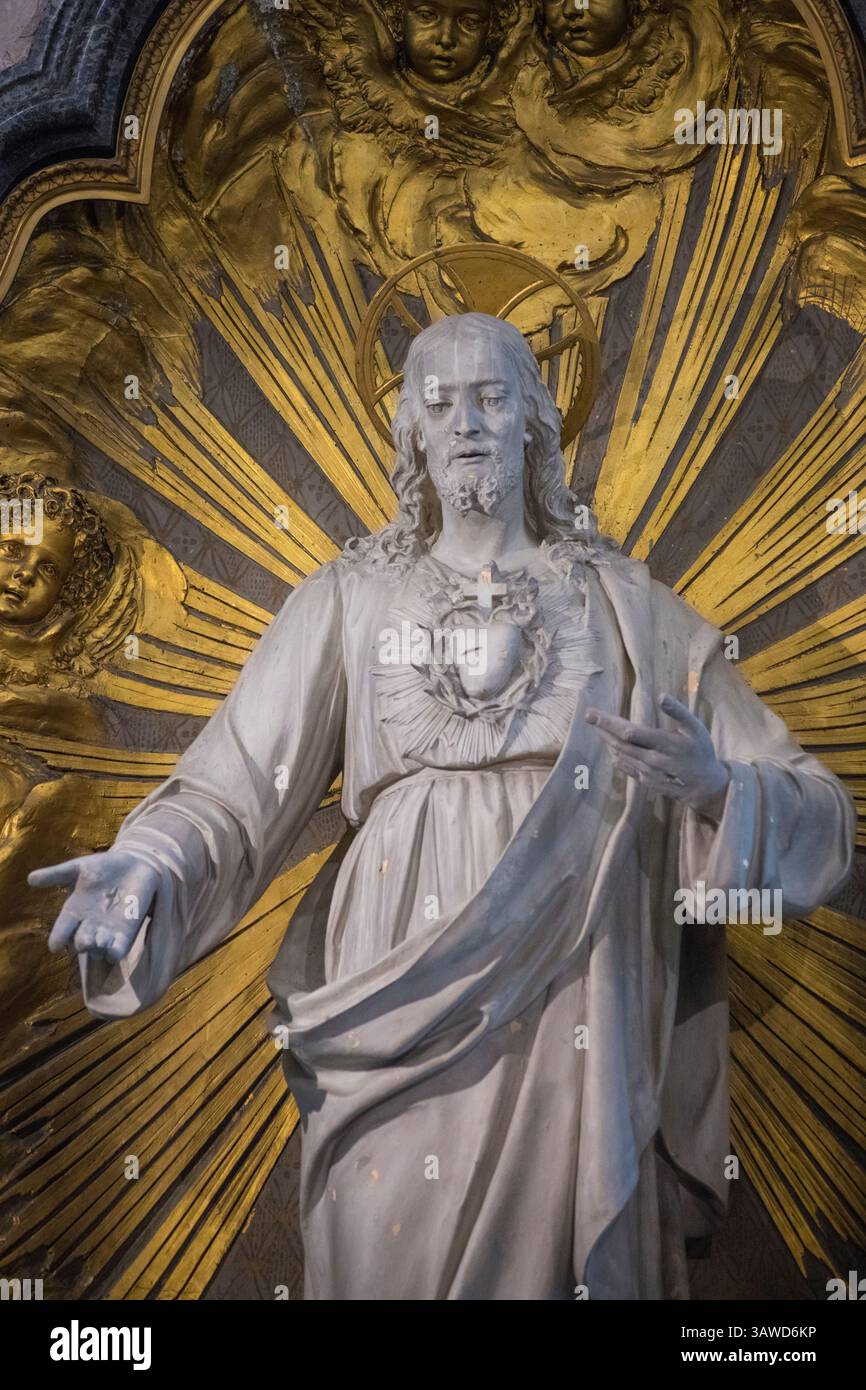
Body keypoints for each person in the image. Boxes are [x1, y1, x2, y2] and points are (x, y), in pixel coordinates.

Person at [30, 314, 855, 1300]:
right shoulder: (344, 597)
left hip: (580, 993)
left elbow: (819, 817)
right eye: (438, 399)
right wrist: (149, 863)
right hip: (397, 999)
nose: (464, 419)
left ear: (532, 427)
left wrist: (716, 791)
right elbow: (233, 784)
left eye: (490, 395)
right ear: (410, 433)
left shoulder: (633, 611)